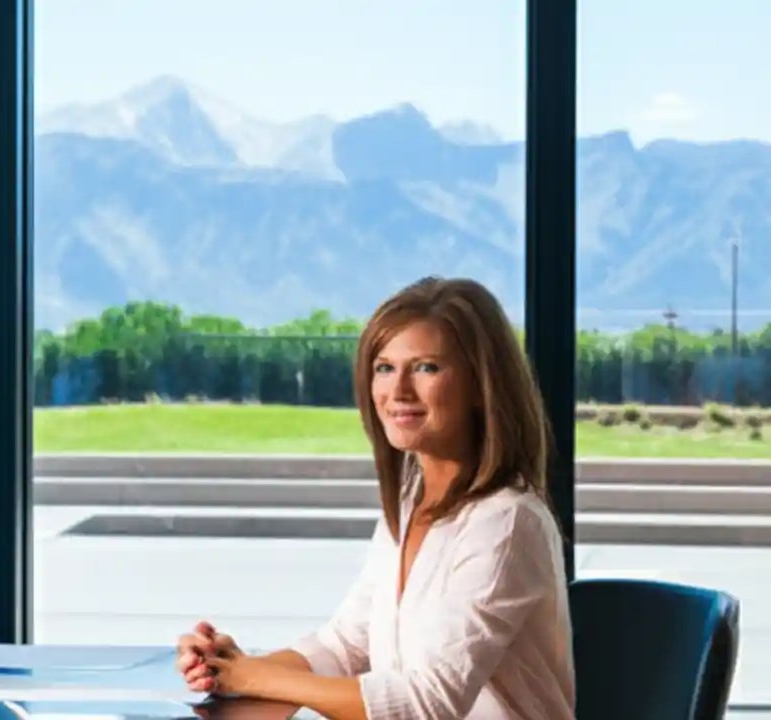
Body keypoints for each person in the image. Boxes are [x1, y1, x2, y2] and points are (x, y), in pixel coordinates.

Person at [176, 277, 574, 720]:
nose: (398, 390)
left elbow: (425, 706)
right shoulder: (410, 501)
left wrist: (254, 678)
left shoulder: (506, 522)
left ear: (482, 385)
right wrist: (230, 667)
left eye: (426, 367)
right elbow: (345, 644)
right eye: (384, 367)